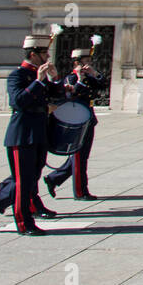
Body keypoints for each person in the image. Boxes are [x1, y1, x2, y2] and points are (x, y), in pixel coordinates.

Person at [0, 35, 62, 235]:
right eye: (43, 53)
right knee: (23, 181)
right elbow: (18, 102)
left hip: (39, 132)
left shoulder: (37, 76)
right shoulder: (17, 75)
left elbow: (59, 95)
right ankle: (24, 224)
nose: (47, 56)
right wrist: (39, 82)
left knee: (30, 179)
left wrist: (55, 78)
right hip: (22, 135)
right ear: (33, 54)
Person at [44, 46, 103, 200]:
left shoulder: (89, 77)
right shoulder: (71, 78)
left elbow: (102, 86)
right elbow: (71, 93)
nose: (88, 64)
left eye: (90, 61)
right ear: (77, 62)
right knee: (78, 158)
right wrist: (80, 78)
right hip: (77, 121)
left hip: (89, 120)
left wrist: (95, 74)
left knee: (82, 156)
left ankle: (54, 178)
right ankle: (80, 191)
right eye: (86, 61)